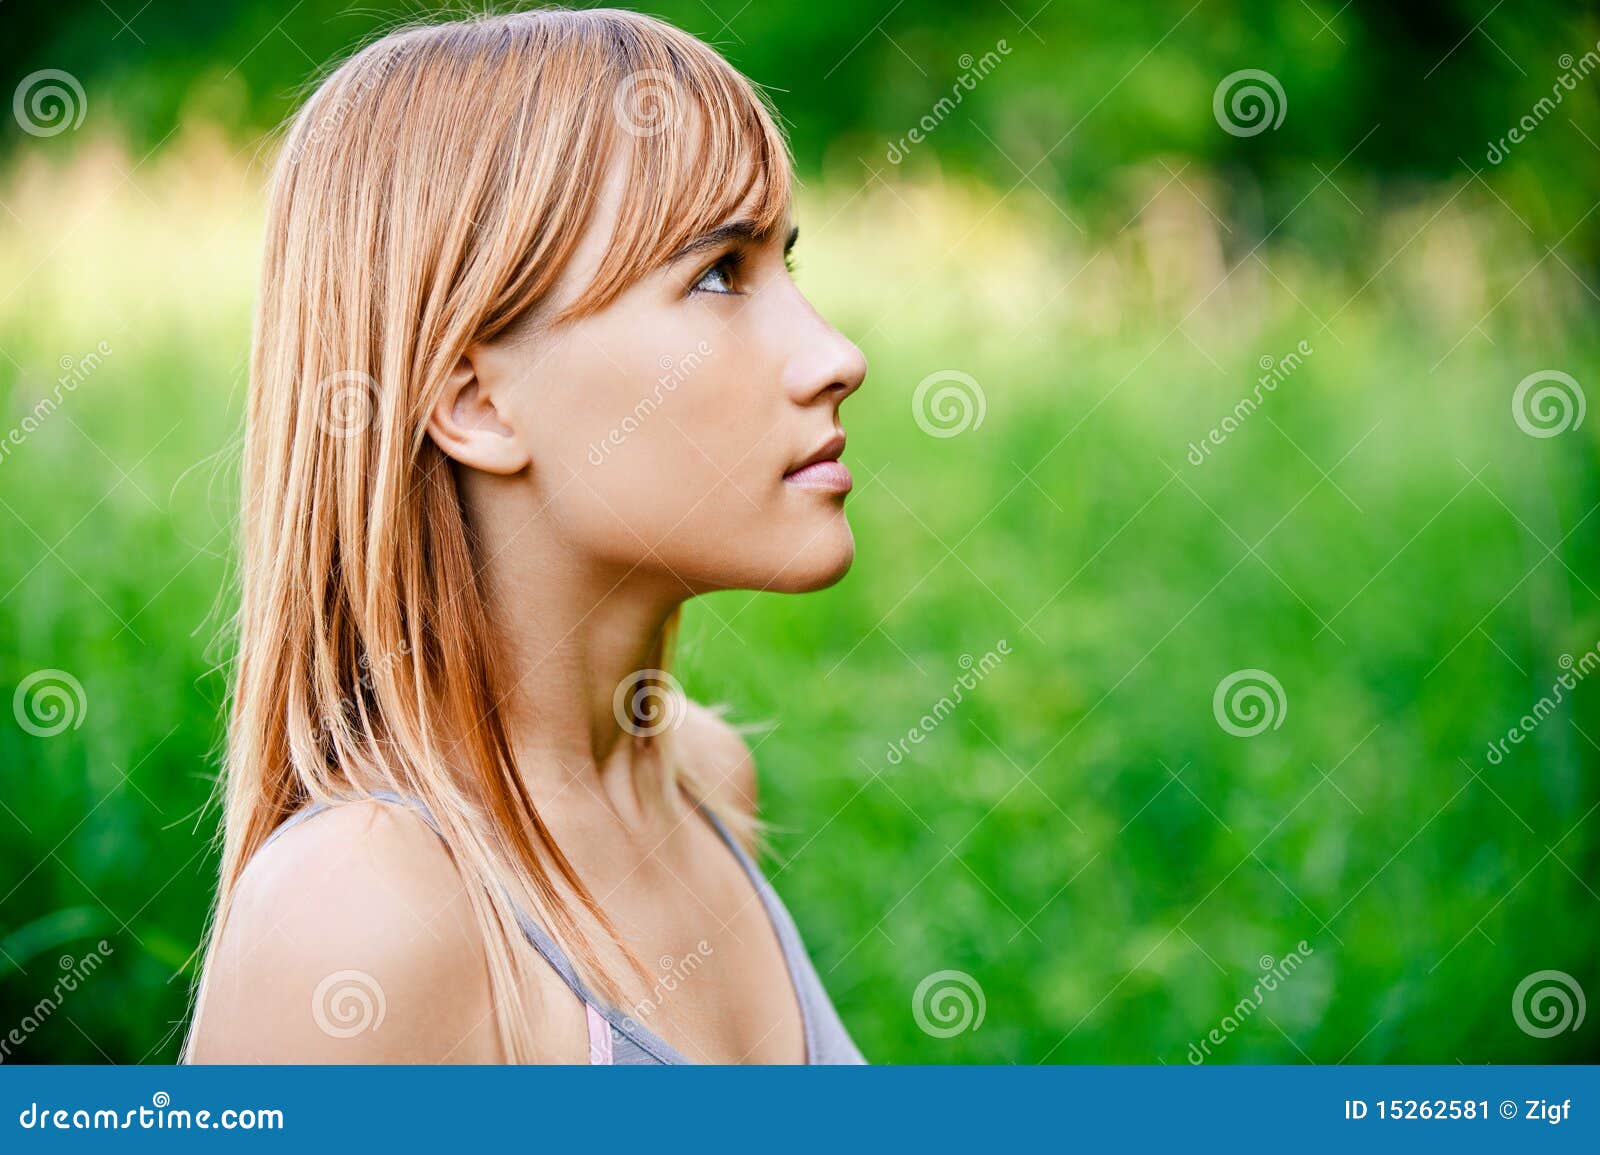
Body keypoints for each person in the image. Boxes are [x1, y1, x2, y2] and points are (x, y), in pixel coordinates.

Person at [184, 7, 868, 1065]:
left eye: (785, 262)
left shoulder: (702, 779)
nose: (834, 354)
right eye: (718, 274)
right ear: (476, 403)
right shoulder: (360, 918)